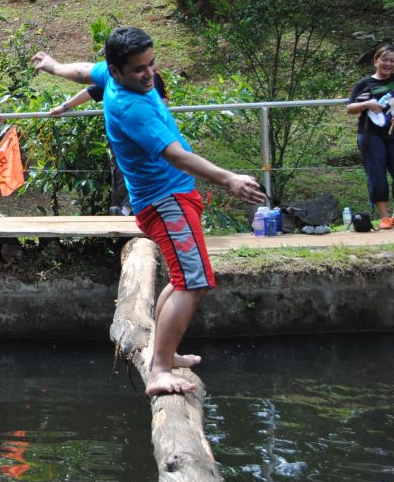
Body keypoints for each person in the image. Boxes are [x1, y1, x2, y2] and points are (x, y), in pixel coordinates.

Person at [31, 26, 266, 396]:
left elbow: (81, 71)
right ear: (119, 70)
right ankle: (159, 369)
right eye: (139, 69)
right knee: (194, 282)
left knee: (181, 279)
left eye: (151, 64)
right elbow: (175, 155)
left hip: (168, 198)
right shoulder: (133, 107)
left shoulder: (111, 74)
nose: (149, 74)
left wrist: (54, 66)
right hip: (166, 201)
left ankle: (165, 353)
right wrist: (229, 179)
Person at [52, 72, 169, 215]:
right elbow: (90, 91)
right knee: (120, 173)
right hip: (120, 135)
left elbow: (162, 100)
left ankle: (129, 212)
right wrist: (64, 106)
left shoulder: (151, 75)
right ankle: (121, 213)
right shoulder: (115, 76)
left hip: (144, 134)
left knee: (142, 171)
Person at [347, 44, 394, 230]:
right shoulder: (366, 83)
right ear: (376, 61)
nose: (388, 63)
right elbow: (349, 108)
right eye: (384, 59)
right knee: (377, 175)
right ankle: (384, 217)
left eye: (391, 61)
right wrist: (367, 104)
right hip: (372, 135)